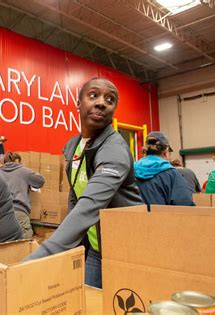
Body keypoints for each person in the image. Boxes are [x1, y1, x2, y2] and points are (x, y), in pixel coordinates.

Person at [24, 77, 143, 289]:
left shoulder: (114, 149)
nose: (101, 103)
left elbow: (90, 204)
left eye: (110, 99)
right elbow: (75, 194)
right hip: (97, 248)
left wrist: (39, 257)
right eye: (93, 95)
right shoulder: (74, 146)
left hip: (126, 249)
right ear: (78, 102)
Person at [134, 133, 194, 207]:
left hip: (130, 217)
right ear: (166, 151)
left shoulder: (130, 171)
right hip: (161, 217)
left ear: (145, 152)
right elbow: (184, 205)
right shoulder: (171, 174)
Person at [0, 152, 45, 239]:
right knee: (25, 244)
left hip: (1, 214)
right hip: (19, 212)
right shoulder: (23, 171)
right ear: (18, 161)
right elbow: (40, 181)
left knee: (5, 244)